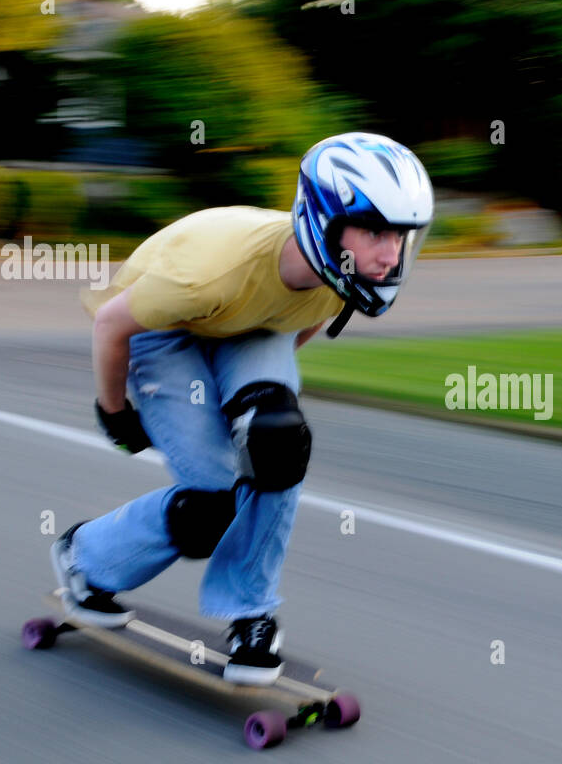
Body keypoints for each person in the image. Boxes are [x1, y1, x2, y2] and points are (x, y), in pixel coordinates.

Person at [50, 132, 433, 685]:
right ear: (324, 220)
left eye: (401, 235)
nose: (390, 253)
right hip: (166, 331)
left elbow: (299, 324)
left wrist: (254, 406)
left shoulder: (338, 273)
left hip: (248, 326)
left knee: (274, 444)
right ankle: (86, 560)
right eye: (375, 230)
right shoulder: (204, 272)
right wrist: (114, 413)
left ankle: (251, 614)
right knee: (212, 505)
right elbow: (112, 323)